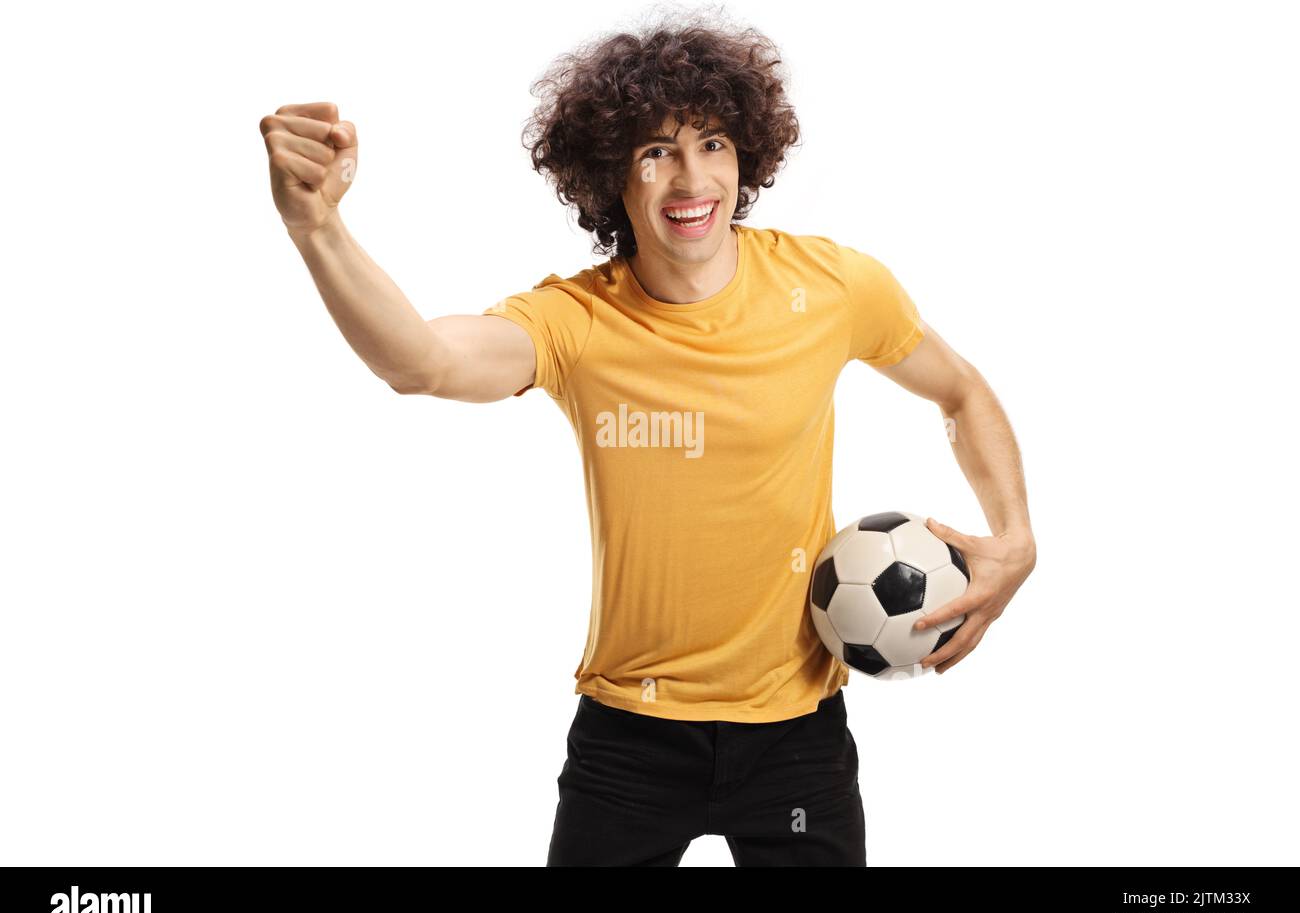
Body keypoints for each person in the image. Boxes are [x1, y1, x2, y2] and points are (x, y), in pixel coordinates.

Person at [258, 12, 1036, 866]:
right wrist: (318, 230)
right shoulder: (578, 320)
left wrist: (1015, 536)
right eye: (654, 152)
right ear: (614, 183)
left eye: (712, 143)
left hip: (797, 739)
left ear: (747, 159)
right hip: (629, 742)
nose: (690, 177)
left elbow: (958, 389)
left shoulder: (835, 287)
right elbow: (424, 362)